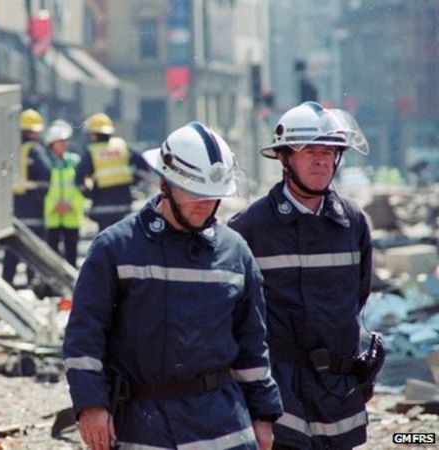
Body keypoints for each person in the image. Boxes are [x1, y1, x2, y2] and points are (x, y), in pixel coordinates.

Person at [63, 121, 282, 450]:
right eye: (194, 191)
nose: (205, 203)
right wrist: (91, 405)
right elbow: (85, 336)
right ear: (164, 183)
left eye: (213, 194)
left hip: (224, 426)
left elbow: (252, 342)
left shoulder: (235, 252)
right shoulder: (115, 247)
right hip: (144, 426)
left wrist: (263, 415)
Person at [228, 101, 373, 449]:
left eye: (329, 151)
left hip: (339, 394)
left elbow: (358, 298)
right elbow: (233, 318)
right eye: (309, 150)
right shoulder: (249, 229)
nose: (322, 160)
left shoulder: (353, 223)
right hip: (280, 396)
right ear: (283, 158)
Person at [2, 108, 53, 287]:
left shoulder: (11, 149)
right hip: (33, 206)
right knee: (33, 248)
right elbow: (47, 171)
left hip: (15, 207)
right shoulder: (35, 150)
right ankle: (32, 282)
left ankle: (6, 281)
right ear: (37, 131)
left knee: (13, 247)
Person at [75, 112, 149, 233]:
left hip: (102, 206)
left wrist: (89, 194)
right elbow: (145, 164)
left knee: (106, 242)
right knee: (124, 239)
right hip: (124, 204)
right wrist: (134, 181)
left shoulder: (92, 152)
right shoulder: (122, 146)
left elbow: (79, 178)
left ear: (93, 134)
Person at [44, 119, 85, 267]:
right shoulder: (45, 163)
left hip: (71, 213)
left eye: (65, 141)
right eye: (60, 142)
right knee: (52, 252)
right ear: (52, 144)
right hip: (52, 214)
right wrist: (54, 206)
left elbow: (80, 186)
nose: (64, 145)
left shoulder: (74, 161)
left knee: (71, 252)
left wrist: (71, 205)